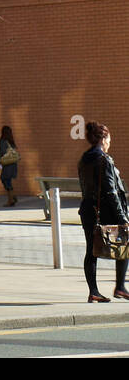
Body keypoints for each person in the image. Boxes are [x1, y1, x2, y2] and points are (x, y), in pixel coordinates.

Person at [77, 121, 129, 303]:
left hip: (87, 209)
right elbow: (111, 191)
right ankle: (121, 287)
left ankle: (93, 291)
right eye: (109, 139)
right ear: (103, 139)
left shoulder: (83, 159)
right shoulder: (104, 159)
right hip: (106, 211)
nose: (109, 143)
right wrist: (123, 218)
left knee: (91, 249)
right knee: (124, 243)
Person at [0, 126, 20, 206]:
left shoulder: (3, 140)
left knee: (5, 180)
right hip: (13, 163)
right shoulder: (11, 141)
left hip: (7, 164)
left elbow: (2, 152)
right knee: (7, 180)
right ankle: (12, 196)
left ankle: (11, 199)